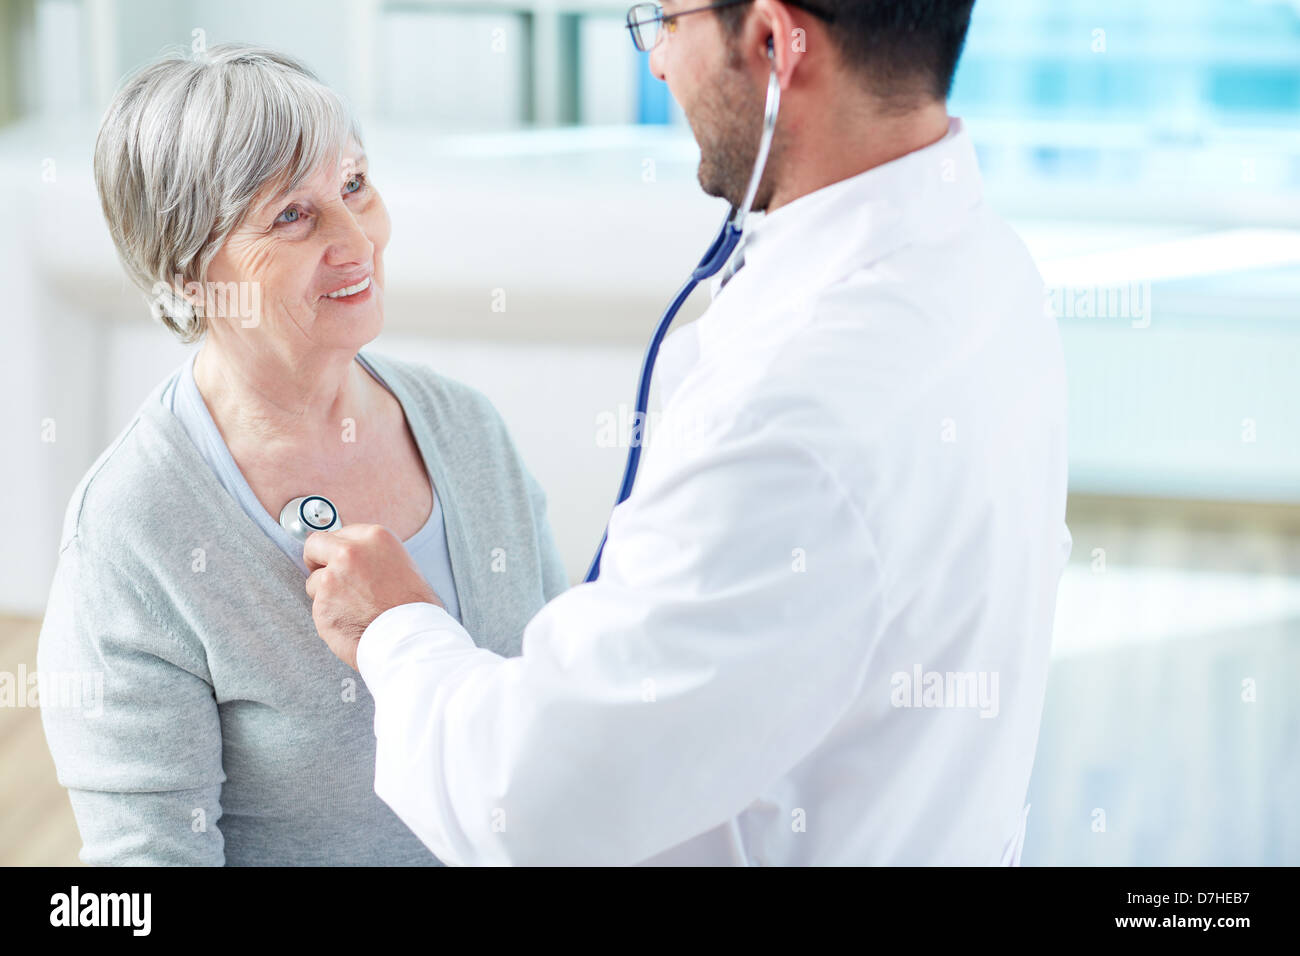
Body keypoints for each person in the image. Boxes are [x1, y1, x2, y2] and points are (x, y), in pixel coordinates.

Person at [306, 0, 1073, 865]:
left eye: (667, 22)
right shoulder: (990, 267)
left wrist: (397, 629)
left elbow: (530, 800)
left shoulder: (791, 418)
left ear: (774, 41)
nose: (659, 63)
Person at [37, 44, 568, 865]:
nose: (356, 240)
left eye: (354, 184)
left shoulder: (467, 431)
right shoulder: (132, 532)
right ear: (188, 273)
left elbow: (555, 715)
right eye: (292, 214)